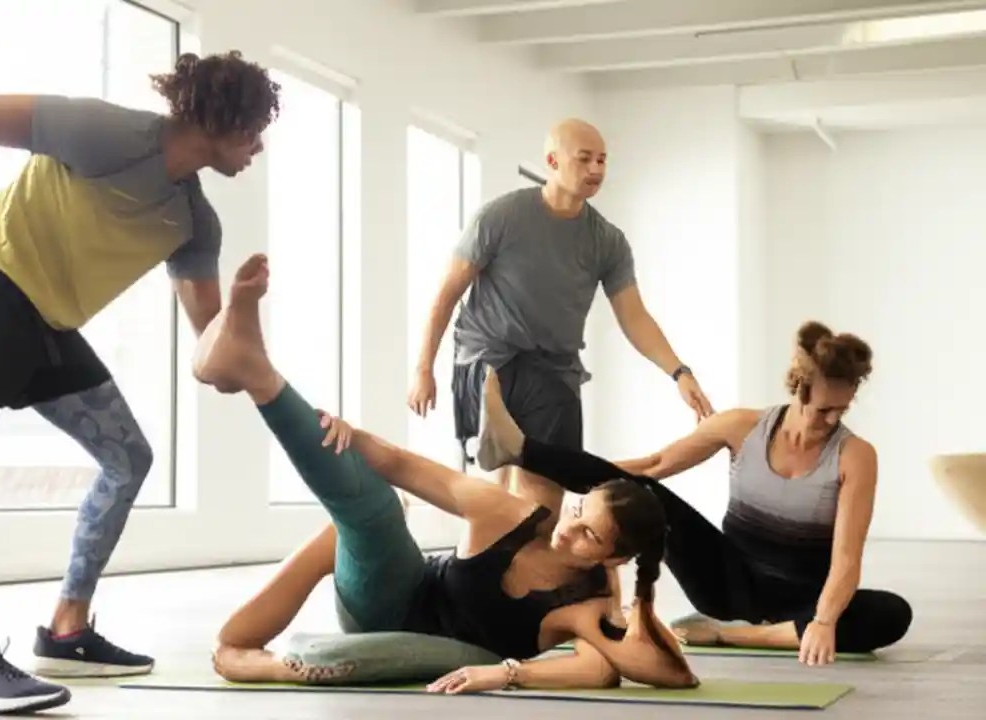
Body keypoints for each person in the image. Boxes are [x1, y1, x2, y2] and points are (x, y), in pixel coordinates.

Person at [0, 51, 281, 714]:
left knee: (129, 459)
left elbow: (210, 350)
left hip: (47, 324)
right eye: (252, 130)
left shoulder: (193, 220)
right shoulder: (109, 133)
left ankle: (68, 629)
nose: (258, 147)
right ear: (219, 119)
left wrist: (242, 312)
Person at [194, 254, 699, 693]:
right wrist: (351, 435)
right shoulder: (510, 515)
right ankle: (258, 376)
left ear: (614, 556)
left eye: (589, 534)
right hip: (395, 589)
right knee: (373, 511)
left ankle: (259, 657)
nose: (569, 528)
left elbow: (659, 674)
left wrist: (508, 673)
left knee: (365, 519)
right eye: (578, 509)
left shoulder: (586, 602)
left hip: (403, 631)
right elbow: (400, 464)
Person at [477, 320, 914, 667]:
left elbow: (846, 559)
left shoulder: (855, 456)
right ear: (799, 387)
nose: (831, 420)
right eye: (823, 409)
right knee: (649, 492)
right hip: (727, 583)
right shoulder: (741, 426)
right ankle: (517, 448)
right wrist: (568, 476)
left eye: (842, 409)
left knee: (892, 614)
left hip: (801, 596)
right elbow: (653, 466)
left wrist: (822, 620)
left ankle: (732, 634)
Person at [407, 118, 714, 525]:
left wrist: (679, 372)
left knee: (543, 503)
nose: (596, 170)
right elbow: (446, 294)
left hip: (555, 368)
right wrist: (423, 369)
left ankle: (521, 508)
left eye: (603, 160)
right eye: (585, 159)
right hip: (488, 353)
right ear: (552, 161)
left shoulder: (607, 241)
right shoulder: (501, 217)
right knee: (501, 488)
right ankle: (495, 440)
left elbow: (634, 315)